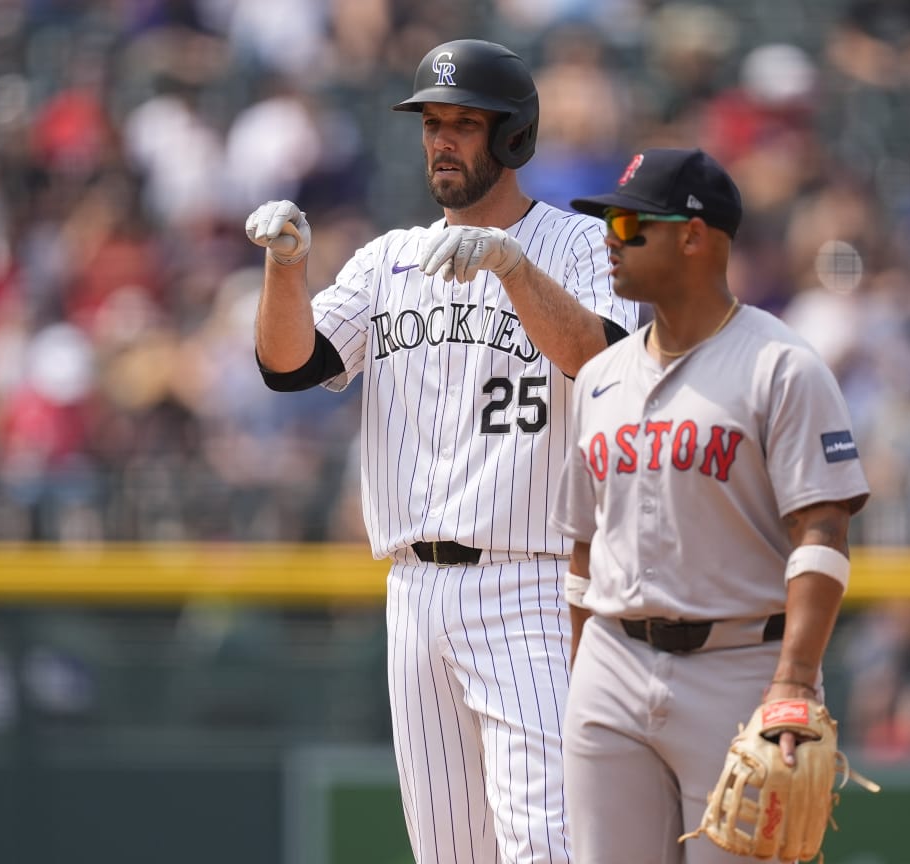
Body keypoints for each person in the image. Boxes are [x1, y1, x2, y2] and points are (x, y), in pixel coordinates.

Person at [245, 39, 638, 864]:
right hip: (414, 593)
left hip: (532, 587)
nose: (443, 141)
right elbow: (290, 365)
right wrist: (286, 270)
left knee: (552, 846)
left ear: (513, 136)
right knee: (451, 852)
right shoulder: (388, 260)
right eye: (432, 124)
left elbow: (604, 361)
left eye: (464, 123)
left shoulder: (579, 246)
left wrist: (512, 267)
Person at [550, 147, 870, 863]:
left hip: (740, 669)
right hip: (612, 665)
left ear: (694, 236)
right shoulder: (599, 378)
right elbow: (582, 547)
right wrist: (581, 676)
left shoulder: (782, 367)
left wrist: (793, 680)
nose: (611, 239)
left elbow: (823, 528)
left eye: (630, 224)